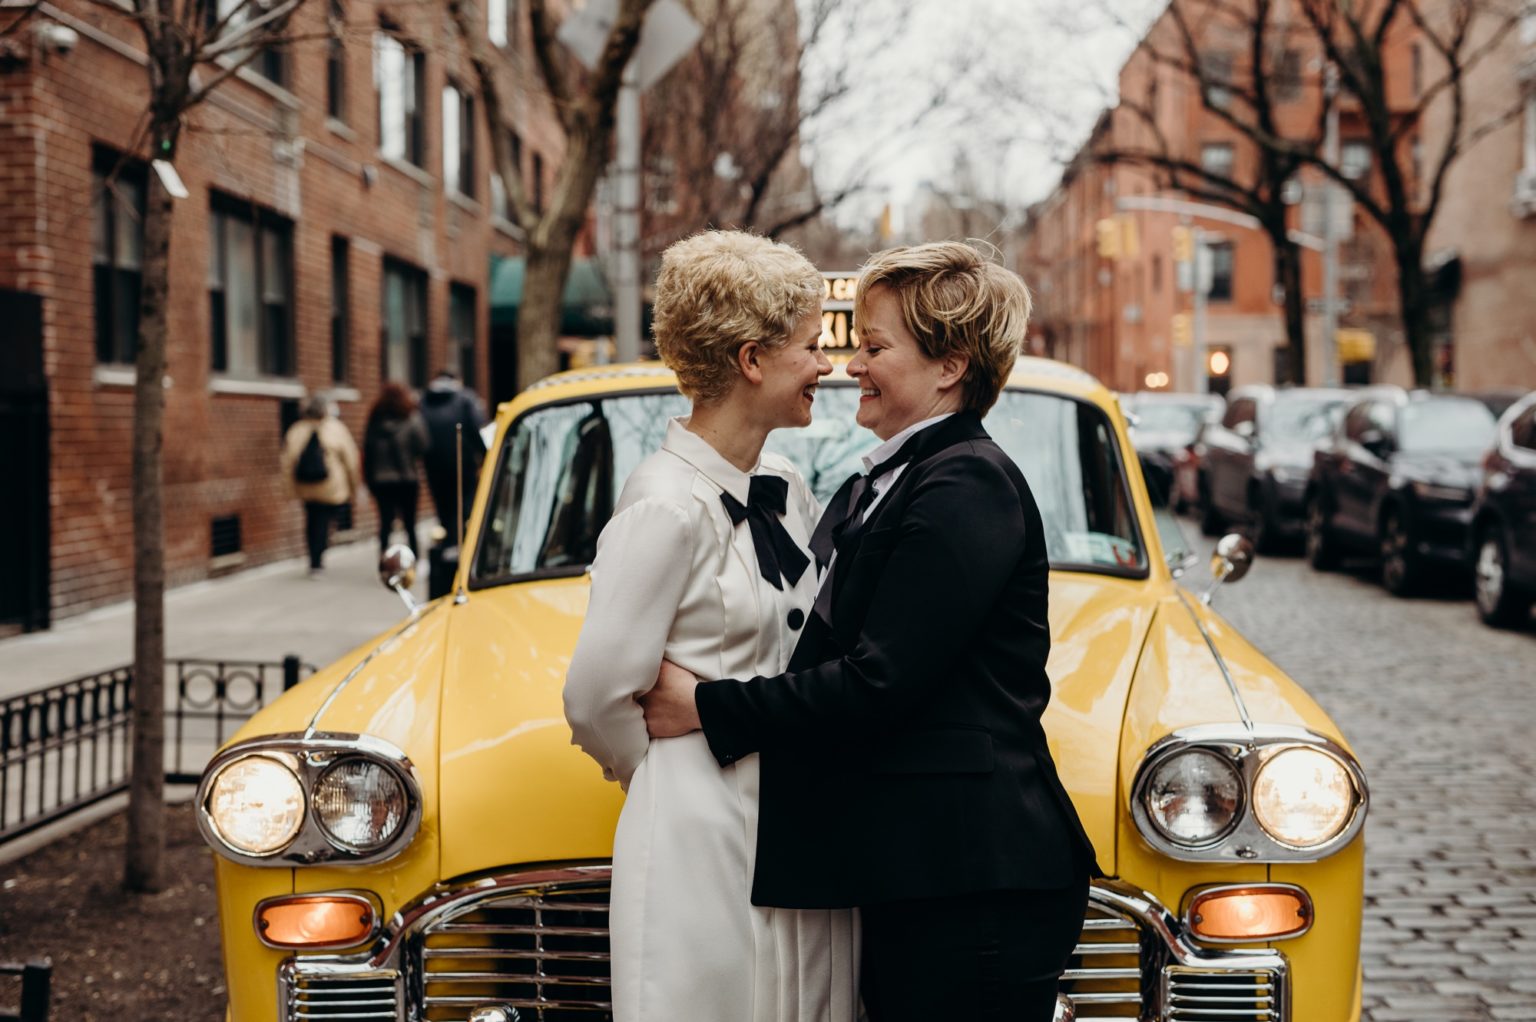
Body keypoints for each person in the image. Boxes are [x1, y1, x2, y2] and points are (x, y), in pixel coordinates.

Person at [641, 241, 1103, 1022]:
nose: (852, 364)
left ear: (950, 366)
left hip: (973, 885)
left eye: (875, 346)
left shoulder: (966, 484)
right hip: (926, 874)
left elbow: (879, 682)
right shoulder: (909, 477)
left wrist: (710, 706)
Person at [563, 231, 856, 1022]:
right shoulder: (663, 503)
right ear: (752, 360)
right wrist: (668, 775)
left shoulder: (786, 484)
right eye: (808, 346)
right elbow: (596, 697)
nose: (825, 366)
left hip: (795, 816)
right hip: (698, 833)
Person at [280, 393, 361, 576]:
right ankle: (319, 555)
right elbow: (351, 459)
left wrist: (289, 489)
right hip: (330, 486)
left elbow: (287, 462)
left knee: (311, 520)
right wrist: (353, 485)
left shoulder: (297, 429)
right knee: (324, 521)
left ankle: (314, 560)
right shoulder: (335, 428)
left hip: (305, 485)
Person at [363, 382, 429, 556]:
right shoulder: (411, 418)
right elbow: (423, 445)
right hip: (407, 478)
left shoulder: (375, 420)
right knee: (410, 522)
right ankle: (415, 556)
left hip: (381, 479)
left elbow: (367, 451)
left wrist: (369, 479)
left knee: (385, 522)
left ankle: (384, 557)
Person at [419, 368, 486, 532]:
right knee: (465, 504)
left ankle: (449, 538)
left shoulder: (424, 401)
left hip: (433, 464)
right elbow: (478, 428)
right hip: (463, 463)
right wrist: (485, 455)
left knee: (443, 506)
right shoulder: (465, 399)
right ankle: (461, 540)